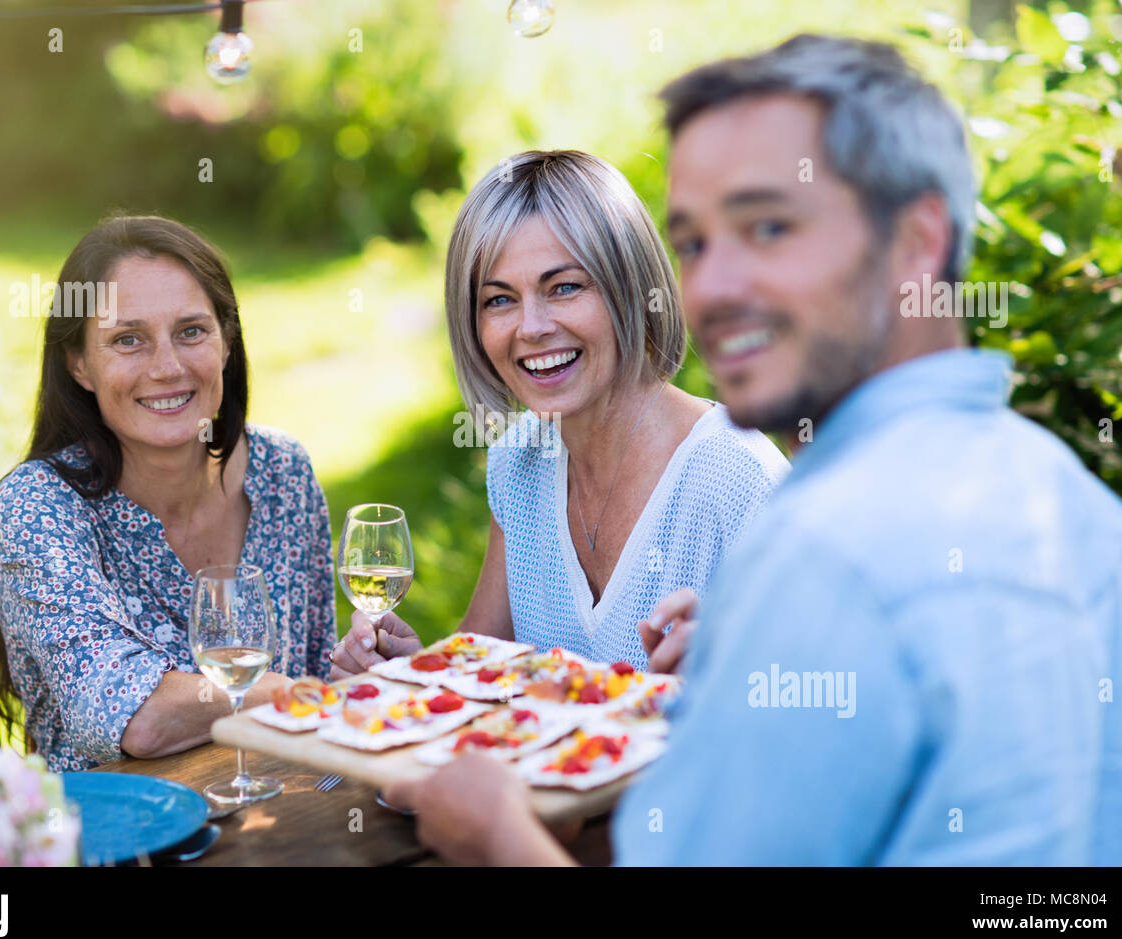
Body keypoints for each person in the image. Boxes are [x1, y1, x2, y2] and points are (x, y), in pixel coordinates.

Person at [385, 34, 1122, 866]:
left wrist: (496, 835)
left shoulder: (818, 555)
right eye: (695, 244)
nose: (711, 287)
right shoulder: (1100, 526)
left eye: (769, 226)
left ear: (916, 242)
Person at [330, 150, 789, 677]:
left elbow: (822, 726)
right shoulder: (518, 463)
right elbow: (481, 667)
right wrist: (410, 673)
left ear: (633, 291)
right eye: (498, 300)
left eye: (564, 287)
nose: (532, 327)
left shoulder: (741, 484)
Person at [0, 216, 336, 773]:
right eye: (128, 340)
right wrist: (288, 694)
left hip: (286, 821)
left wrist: (360, 671)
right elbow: (130, 718)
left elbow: (319, 676)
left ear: (226, 342)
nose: (168, 368)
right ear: (79, 364)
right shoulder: (39, 507)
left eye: (192, 331)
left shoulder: (282, 471)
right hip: (126, 848)